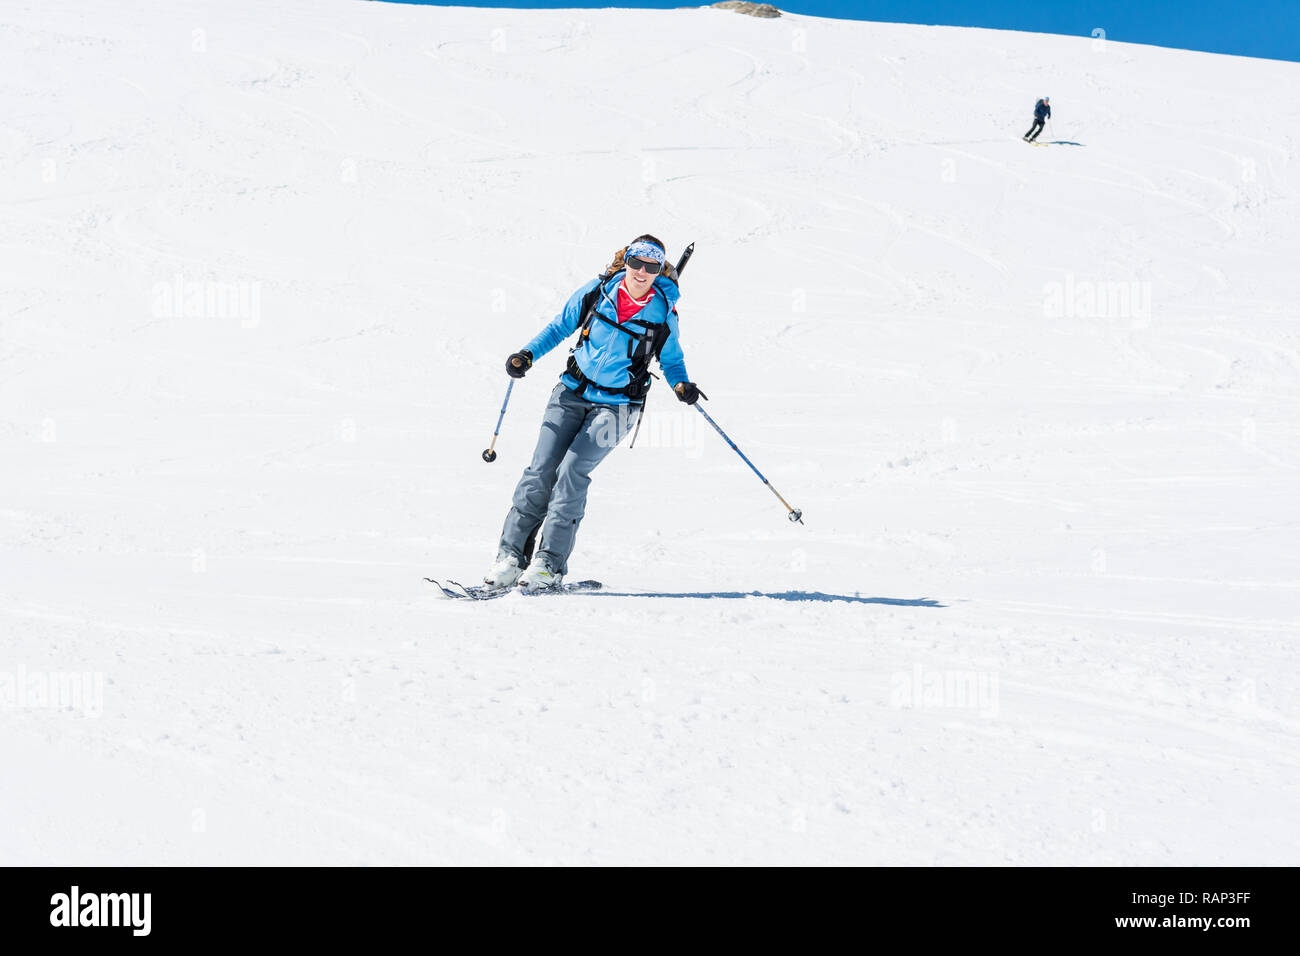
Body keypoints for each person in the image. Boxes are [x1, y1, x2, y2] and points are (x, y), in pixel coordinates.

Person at [484, 235, 705, 592]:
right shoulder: (599, 291)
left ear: (659, 269)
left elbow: (672, 360)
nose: (642, 272)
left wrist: (682, 385)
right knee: (540, 470)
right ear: (626, 261)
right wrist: (527, 354)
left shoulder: (663, 310)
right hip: (571, 393)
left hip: (617, 406)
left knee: (572, 471)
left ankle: (548, 565)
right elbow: (560, 327)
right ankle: (509, 558)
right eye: (637, 262)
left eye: (652, 266)